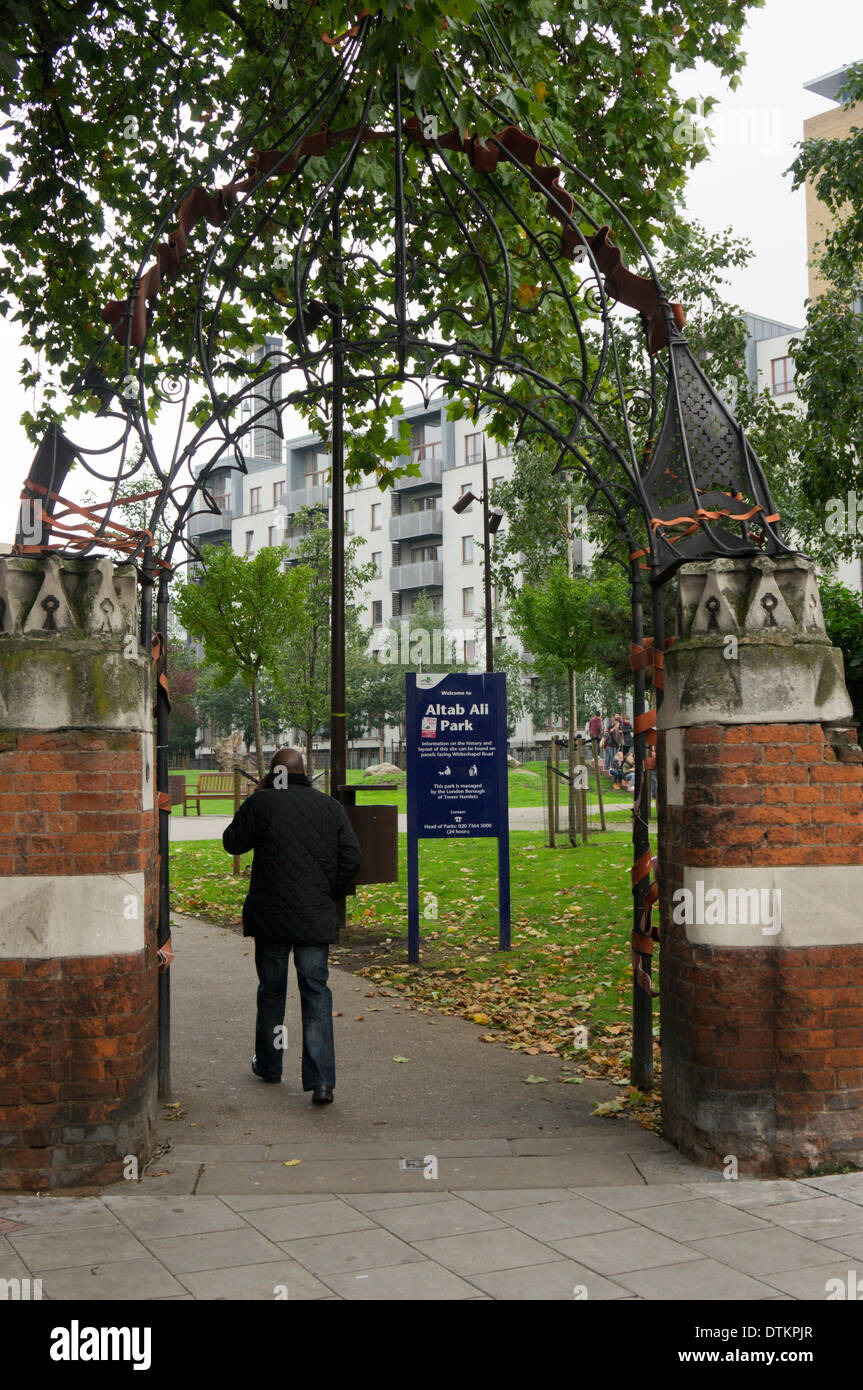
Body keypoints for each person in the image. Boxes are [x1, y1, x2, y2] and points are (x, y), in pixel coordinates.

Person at [222, 746, 362, 1105]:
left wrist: (256, 799)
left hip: (270, 918)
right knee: (315, 992)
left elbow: (232, 843)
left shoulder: (262, 804)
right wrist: (328, 892)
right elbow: (352, 858)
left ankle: (270, 1064)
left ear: (273, 773)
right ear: (305, 772)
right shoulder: (330, 807)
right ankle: (321, 1081)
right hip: (314, 917)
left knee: (272, 992)